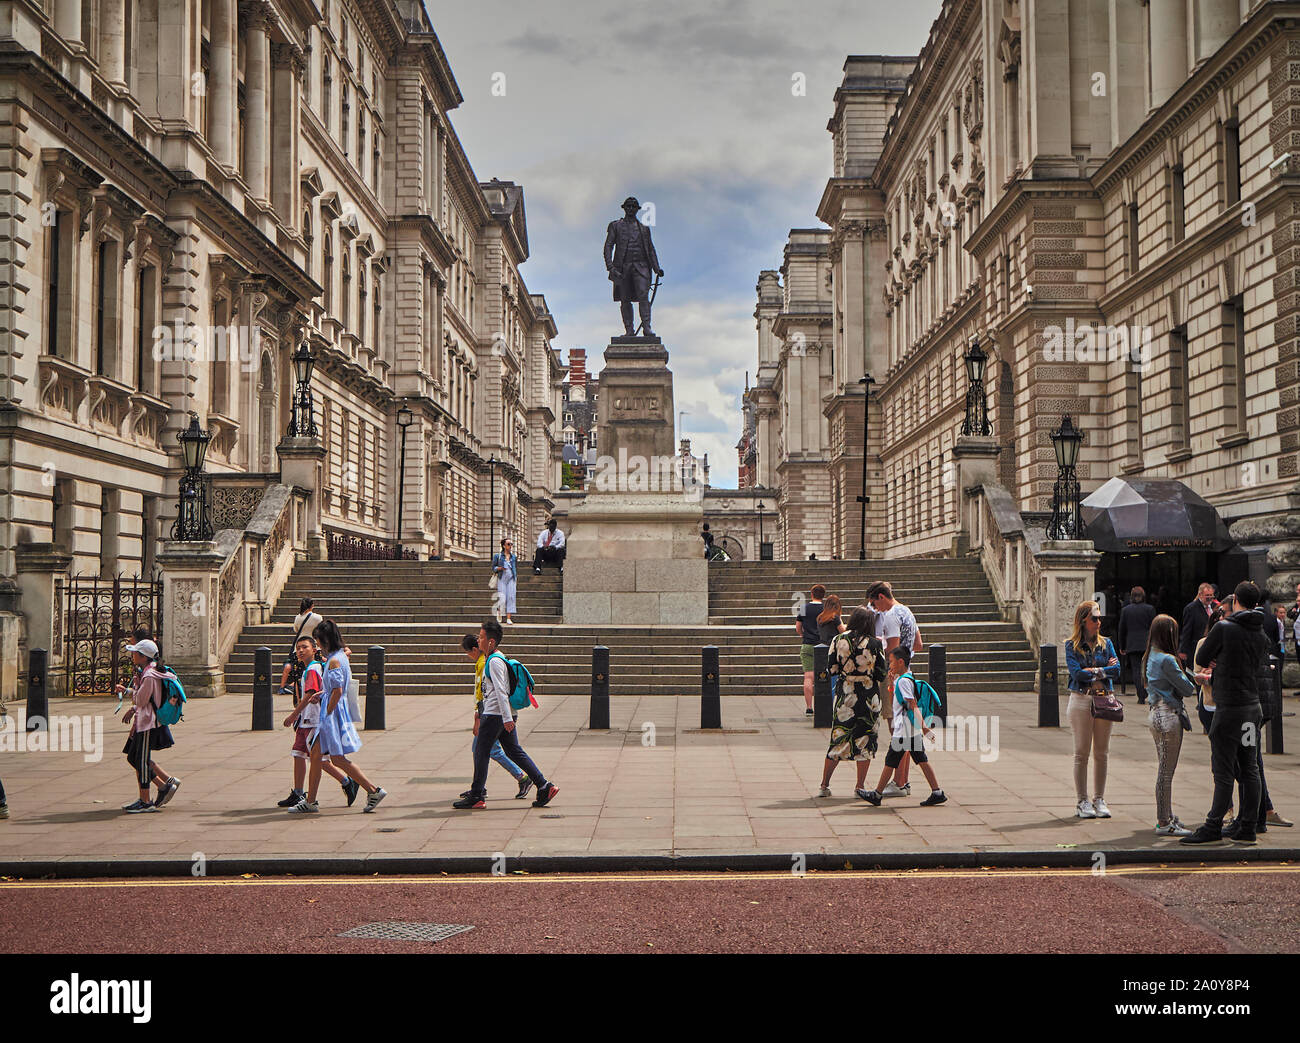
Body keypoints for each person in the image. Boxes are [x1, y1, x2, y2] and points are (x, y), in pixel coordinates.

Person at [1181, 581, 1268, 845]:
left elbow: (1203, 656)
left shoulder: (1224, 628)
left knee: (1223, 768)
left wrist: (1218, 662)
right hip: (1252, 708)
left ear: (1237, 601)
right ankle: (1248, 826)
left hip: (1229, 709)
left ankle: (1212, 825)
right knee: (1250, 767)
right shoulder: (1260, 633)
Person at [453, 619, 558, 810]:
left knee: (481, 752)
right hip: (503, 714)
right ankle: (544, 786)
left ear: (491, 642)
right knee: (513, 751)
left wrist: (507, 718)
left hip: (495, 715)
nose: (479, 640)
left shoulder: (493, 661)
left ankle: (477, 795)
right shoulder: (496, 658)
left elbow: (501, 691)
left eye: (482, 637)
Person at [288, 620, 387, 814]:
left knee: (336, 758)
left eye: (317, 641)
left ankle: (373, 790)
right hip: (334, 710)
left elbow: (337, 690)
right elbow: (334, 689)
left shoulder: (334, 660)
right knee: (319, 756)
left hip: (331, 714)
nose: (317, 646)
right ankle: (312, 800)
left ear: (325, 640)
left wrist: (326, 713)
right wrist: (322, 694)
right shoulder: (340, 656)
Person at [856, 647, 947, 807]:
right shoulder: (904, 679)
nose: (889, 665)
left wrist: (924, 727)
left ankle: (877, 794)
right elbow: (896, 704)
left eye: (891, 661)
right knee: (921, 760)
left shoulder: (904, 681)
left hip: (904, 730)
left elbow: (912, 705)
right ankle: (937, 792)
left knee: (890, 762)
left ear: (900, 662)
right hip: (909, 730)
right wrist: (892, 685)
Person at [278, 634, 359, 809]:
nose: (300, 650)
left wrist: (293, 715)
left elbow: (311, 693)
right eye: (298, 648)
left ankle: (351, 783)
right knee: (299, 754)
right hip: (305, 719)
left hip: (313, 719)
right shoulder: (309, 667)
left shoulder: (314, 668)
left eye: (304, 647)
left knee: (322, 759)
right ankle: (300, 792)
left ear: (314, 649)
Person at [819, 606, 887, 796]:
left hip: (846, 695)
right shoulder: (874, 643)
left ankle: (824, 785)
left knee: (839, 737)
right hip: (868, 696)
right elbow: (881, 673)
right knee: (865, 740)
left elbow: (831, 668)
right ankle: (860, 786)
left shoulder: (838, 639)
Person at [459, 633, 532, 800]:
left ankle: (524, 778)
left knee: (492, 750)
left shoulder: (487, 662)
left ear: (476, 649)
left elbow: (490, 692)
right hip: (493, 713)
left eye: (468, 652)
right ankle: (479, 788)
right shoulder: (482, 662)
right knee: (488, 749)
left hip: (492, 713)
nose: (468, 656)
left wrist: (479, 716)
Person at [1065, 600, 1120, 819]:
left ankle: (1099, 799)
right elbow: (1077, 673)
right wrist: (1103, 670)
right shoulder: (1071, 645)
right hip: (1081, 700)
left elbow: (1116, 670)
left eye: (1100, 618)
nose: (1099, 622)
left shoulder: (1106, 643)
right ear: (1083, 620)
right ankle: (1082, 800)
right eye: (1094, 618)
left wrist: (1095, 670)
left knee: (1102, 753)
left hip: (1104, 698)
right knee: (1081, 753)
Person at [867, 580, 922, 796]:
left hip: (895, 677)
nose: (874, 608)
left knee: (896, 730)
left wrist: (881, 647)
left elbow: (893, 649)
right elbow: (918, 645)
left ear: (881, 597)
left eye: (874, 603)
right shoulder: (906, 611)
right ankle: (902, 781)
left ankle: (899, 782)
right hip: (908, 673)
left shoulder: (890, 615)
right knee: (904, 730)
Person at [1143, 615, 1196, 836]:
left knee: (1164, 769)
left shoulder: (1150, 656)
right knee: (1166, 772)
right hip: (1168, 717)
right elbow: (1187, 689)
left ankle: (1167, 816)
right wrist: (1191, 676)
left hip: (1155, 714)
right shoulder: (1167, 659)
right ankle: (1163, 822)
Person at [119, 638, 181, 814]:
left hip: (148, 722)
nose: (132, 655)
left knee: (139, 759)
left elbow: (141, 700)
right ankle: (163, 786)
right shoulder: (150, 672)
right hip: (144, 721)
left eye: (135, 653)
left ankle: (146, 801)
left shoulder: (149, 675)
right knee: (134, 757)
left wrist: (133, 691)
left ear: (143, 656)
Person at [1118, 586, 1157, 704]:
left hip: (1132, 643)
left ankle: (1141, 695)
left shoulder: (1126, 610)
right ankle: (1147, 691)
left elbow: (1122, 629)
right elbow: (1154, 627)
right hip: (1147, 643)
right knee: (1147, 669)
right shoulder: (1150, 609)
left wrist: (1122, 646)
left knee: (1136, 670)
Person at [794, 584, 827, 716]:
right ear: (823, 595)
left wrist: (803, 635)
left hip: (807, 645)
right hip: (823, 645)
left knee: (808, 677)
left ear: (811, 594)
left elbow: (798, 627)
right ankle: (825, 705)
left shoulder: (803, 608)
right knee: (824, 676)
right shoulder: (826, 608)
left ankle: (809, 707)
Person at [280, 597, 323, 694]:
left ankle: (298, 696)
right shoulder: (318, 617)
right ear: (312, 606)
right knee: (315, 671)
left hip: (298, 647)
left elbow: (295, 629)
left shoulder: (298, 618)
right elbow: (320, 630)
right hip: (313, 647)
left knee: (299, 674)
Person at [1178, 582, 1216, 663]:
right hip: (1195, 649)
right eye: (1207, 595)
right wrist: (1183, 650)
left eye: (1211, 595)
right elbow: (1186, 630)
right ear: (1200, 595)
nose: (1210, 598)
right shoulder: (1191, 609)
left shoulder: (1215, 607)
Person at [492, 538, 518, 625]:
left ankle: (508, 618)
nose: (510, 546)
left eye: (511, 544)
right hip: (501, 578)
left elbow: (514, 567)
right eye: (508, 544)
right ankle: (499, 611)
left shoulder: (513, 557)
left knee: (511, 597)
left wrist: (515, 577)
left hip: (511, 578)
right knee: (502, 598)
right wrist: (499, 568)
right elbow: (493, 568)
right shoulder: (497, 556)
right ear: (504, 546)